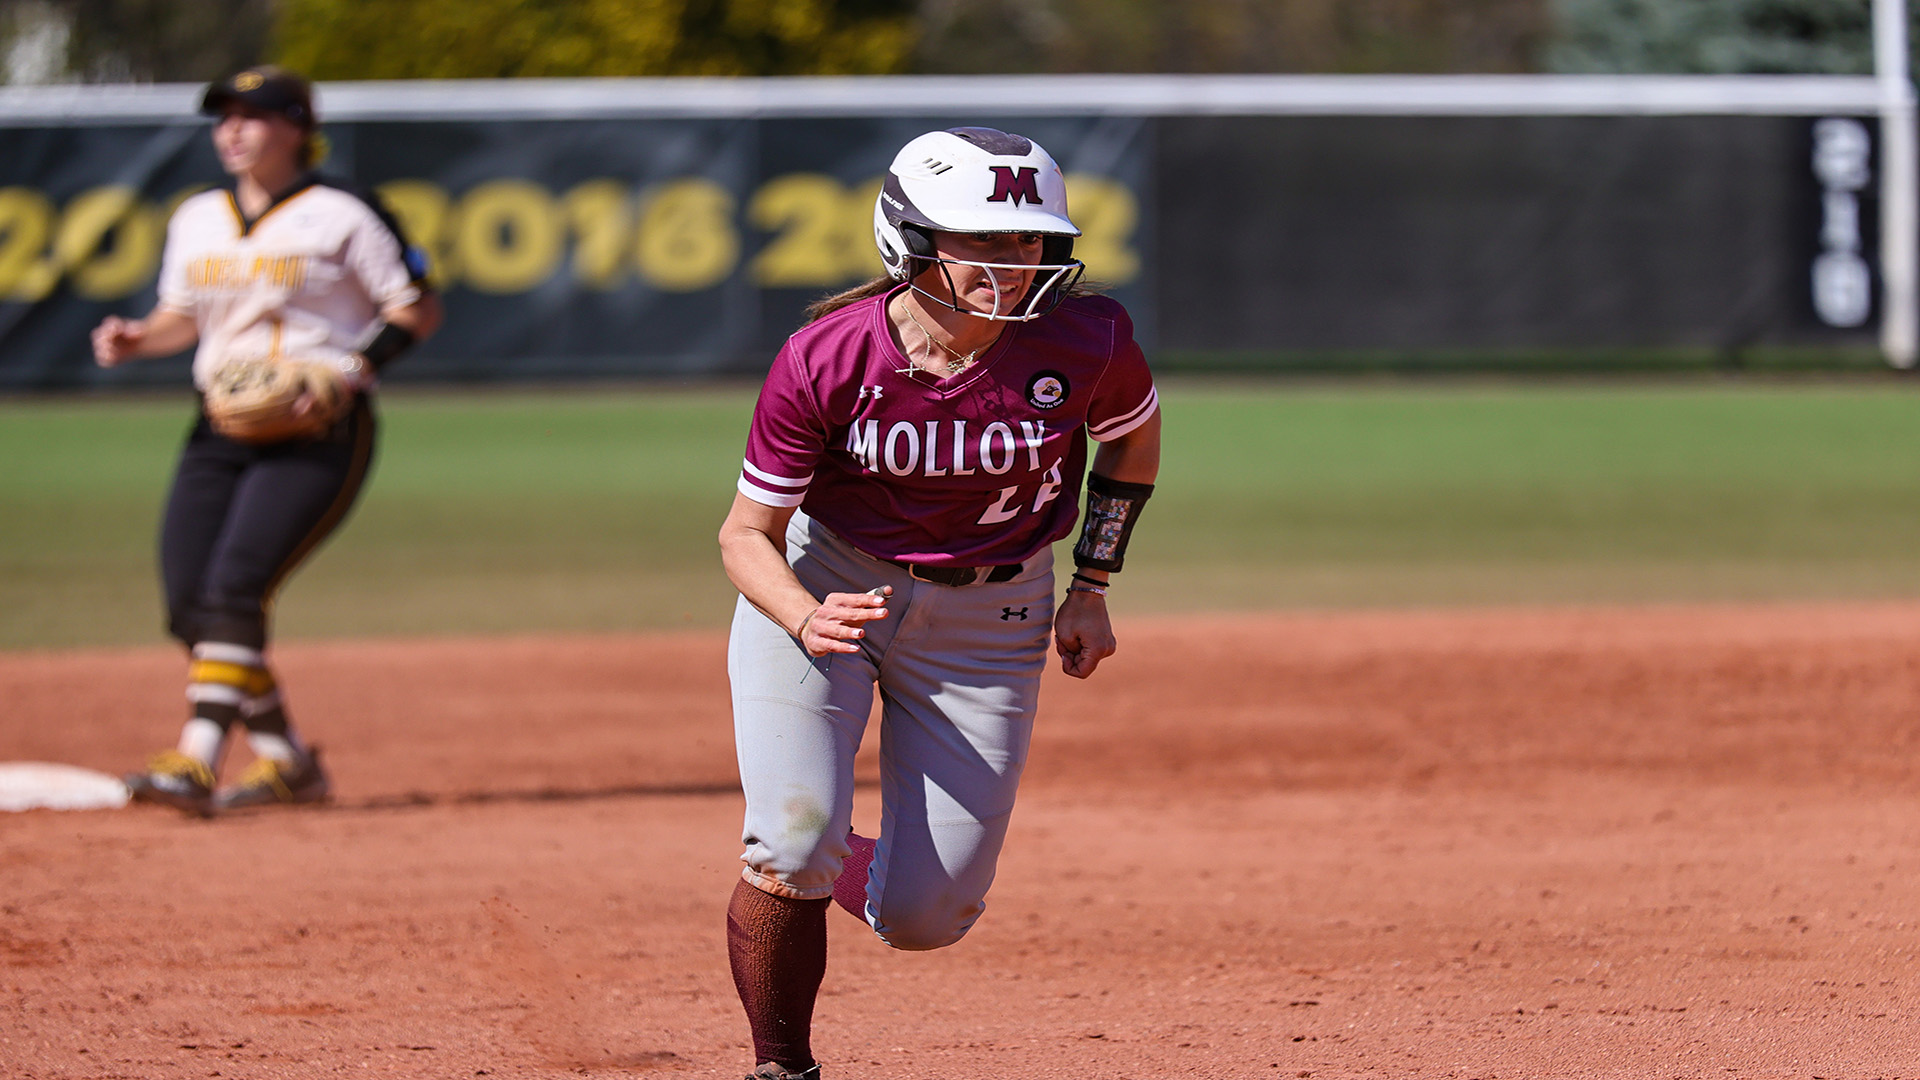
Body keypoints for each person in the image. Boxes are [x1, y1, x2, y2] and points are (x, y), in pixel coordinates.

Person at [716, 127, 1161, 1080]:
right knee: (790, 844)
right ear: (908, 242)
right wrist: (801, 614)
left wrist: (1092, 583)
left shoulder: (1086, 340)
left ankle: (836, 852)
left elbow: (1132, 439)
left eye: (1030, 239)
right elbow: (744, 534)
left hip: (994, 616)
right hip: (828, 587)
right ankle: (780, 1066)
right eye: (982, 240)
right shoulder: (826, 357)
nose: (1014, 260)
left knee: (926, 917)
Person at [91, 66, 441, 815]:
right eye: (223, 117)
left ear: (296, 127)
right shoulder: (197, 217)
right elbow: (183, 317)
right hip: (219, 426)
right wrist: (138, 338)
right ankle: (287, 762)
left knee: (234, 587)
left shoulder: (344, 212)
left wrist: (351, 371)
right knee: (189, 603)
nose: (232, 130)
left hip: (319, 429)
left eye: (251, 116)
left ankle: (195, 759)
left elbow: (415, 308)